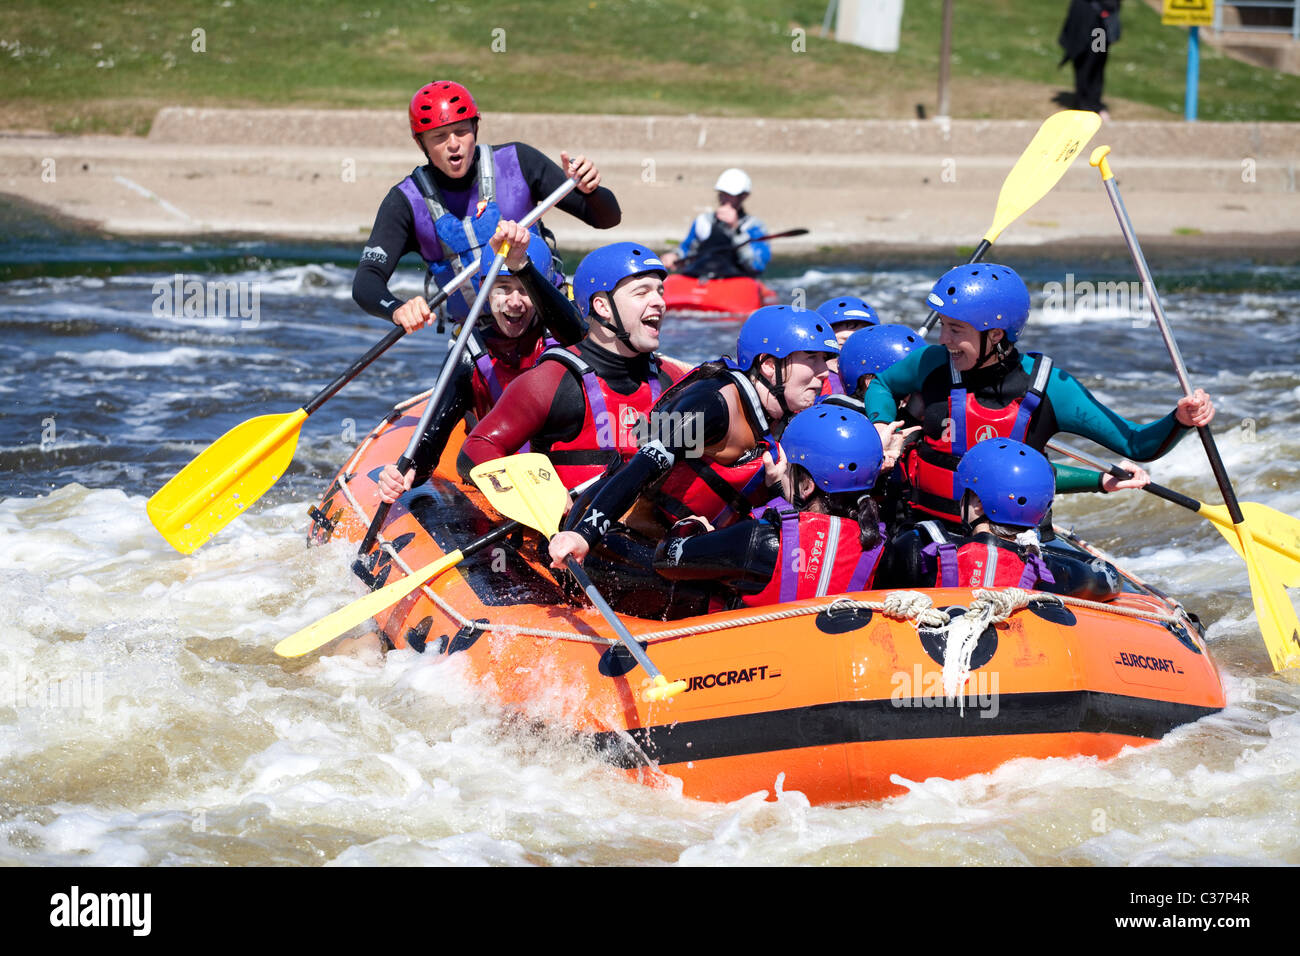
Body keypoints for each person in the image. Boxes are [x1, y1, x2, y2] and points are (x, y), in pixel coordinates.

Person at [863, 263, 1208, 528]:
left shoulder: (1051, 387)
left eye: (956, 329)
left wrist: (1180, 420)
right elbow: (882, 384)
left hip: (1009, 543)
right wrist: (880, 423)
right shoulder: (931, 363)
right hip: (927, 530)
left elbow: (1137, 445)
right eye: (942, 325)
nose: (943, 339)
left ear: (995, 334)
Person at [547, 304, 841, 570]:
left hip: (677, 543)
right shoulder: (714, 406)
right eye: (811, 359)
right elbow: (641, 468)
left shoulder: (780, 414)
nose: (823, 373)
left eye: (824, 360)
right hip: (614, 538)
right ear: (768, 364)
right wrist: (583, 535)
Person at [353, 80, 621, 329]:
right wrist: (397, 309)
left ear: (475, 128)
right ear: (419, 141)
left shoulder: (519, 162)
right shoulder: (405, 202)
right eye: (439, 136)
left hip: (553, 323)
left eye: (461, 131)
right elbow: (367, 281)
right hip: (478, 337)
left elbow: (607, 218)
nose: (454, 145)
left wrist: (591, 191)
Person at [374, 220, 584, 504]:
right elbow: (432, 436)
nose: (514, 302)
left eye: (525, 290)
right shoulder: (468, 351)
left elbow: (577, 332)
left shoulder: (570, 339)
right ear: (484, 288)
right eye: (503, 287)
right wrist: (408, 472)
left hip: (567, 487)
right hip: (499, 485)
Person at [456, 241, 680, 491]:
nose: (659, 302)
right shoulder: (549, 382)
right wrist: (540, 492)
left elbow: (702, 461)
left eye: (660, 291)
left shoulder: (674, 381)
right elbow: (474, 451)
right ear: (602, 307)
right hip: (561, 526)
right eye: (642, 293)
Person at [654, 406, 888, 608]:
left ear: (806, 485)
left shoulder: (761, 541)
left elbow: (665, 558)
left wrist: (693, 526)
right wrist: (779, 490)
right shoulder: (882, 545)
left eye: (786, 467)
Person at [875, 438, 1122, 601]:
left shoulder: (918, 548)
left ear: (979, 504)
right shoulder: (1051, 573)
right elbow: (1110, 578)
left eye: (966, 494)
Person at [660, 168, 770, 279]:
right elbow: (687, 249)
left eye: (730, 195)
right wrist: (676, 256)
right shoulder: (703, 221)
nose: (724, 199)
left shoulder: (755, 227)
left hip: (737, 281)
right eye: (722, 194)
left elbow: (757, 266)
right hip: (701, 278)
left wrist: (736, 229)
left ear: (744, 196)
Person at [1058, 0, 1121, 121]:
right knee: (1084, 62)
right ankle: (1083, 105)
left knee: (1097, 63)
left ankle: (1094, 103)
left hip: (1099, 26)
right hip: (1085, 20)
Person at [816, 296, 879, 397]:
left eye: (862, 343)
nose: (854, 351)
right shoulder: (817, 380)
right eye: (842, 344)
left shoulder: (881, 377)